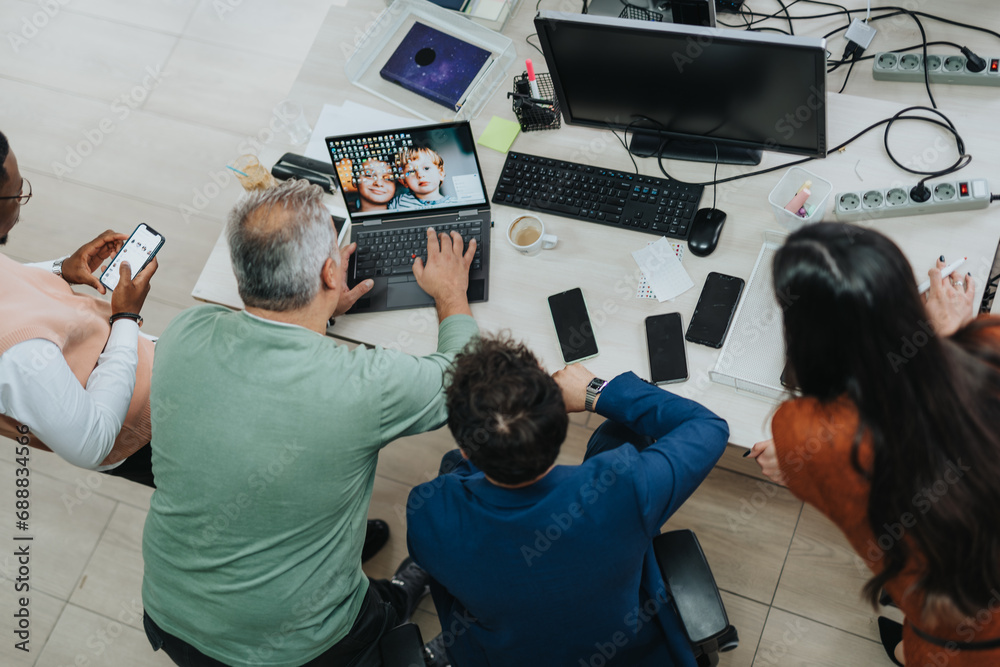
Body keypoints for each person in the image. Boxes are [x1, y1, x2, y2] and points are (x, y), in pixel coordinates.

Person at [141, 179, 479, 666]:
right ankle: (406, 627)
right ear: (330, 271)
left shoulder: (185, 332)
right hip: (300, 647)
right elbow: (462, 378)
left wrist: (317, 310)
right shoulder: (362, 387)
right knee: (378, 637)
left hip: (169, 611)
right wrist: (450, 293)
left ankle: (391, 592)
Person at [748, 223, 1000, 666]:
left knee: (921, 651)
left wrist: (795, 463)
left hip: (963, 632)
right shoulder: (989, 342)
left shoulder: (805, 431)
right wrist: (950, 335)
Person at [406, 334, 729, 666]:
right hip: (623, 651)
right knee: (622, 434)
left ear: (465, 445)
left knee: (450, 471)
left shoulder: (429, 514)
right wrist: (596, 392)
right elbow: (708, 426)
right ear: (561, 425)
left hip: (505, 653)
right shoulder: (624, 487)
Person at [0, 129, 159, 486]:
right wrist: (125, 317)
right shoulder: (20, 355)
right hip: (156, 426)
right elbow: (92, 442)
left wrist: (61, 269)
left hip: (145, 364)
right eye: (17, 192)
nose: (21, 199)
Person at [390, 146, 455, 210]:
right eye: (411, 171)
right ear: (403, 181)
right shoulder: (398, 202)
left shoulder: (454, 204)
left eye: (426, 168)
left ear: (441, 174)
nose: (420, 175)